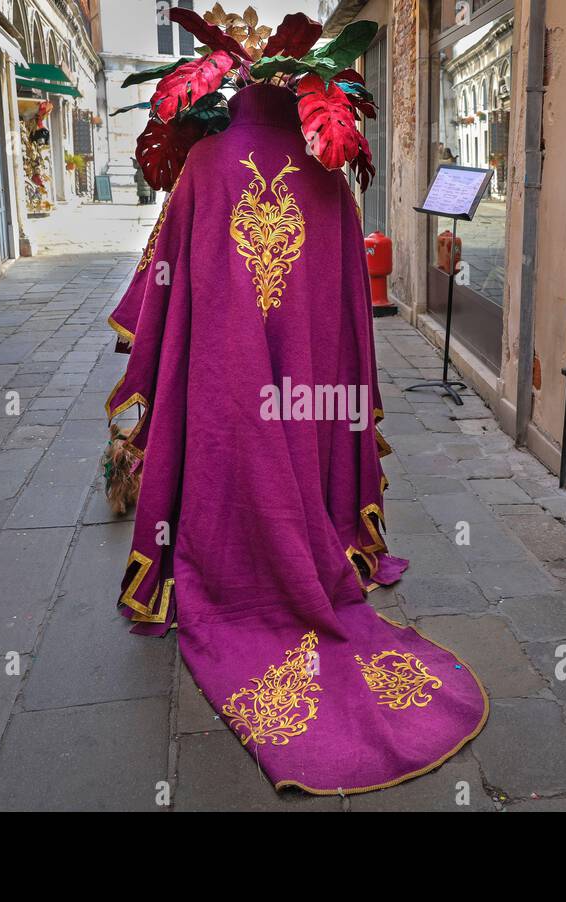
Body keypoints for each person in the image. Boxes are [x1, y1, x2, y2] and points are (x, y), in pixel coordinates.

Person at [105, 10, 487, 795]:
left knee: (218, 458)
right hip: (312, 397)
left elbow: (160, 291)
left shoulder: (204, 167)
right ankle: (316, 540)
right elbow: (350, 314)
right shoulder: (328, 175)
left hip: (220, 391)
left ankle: (224, 572)